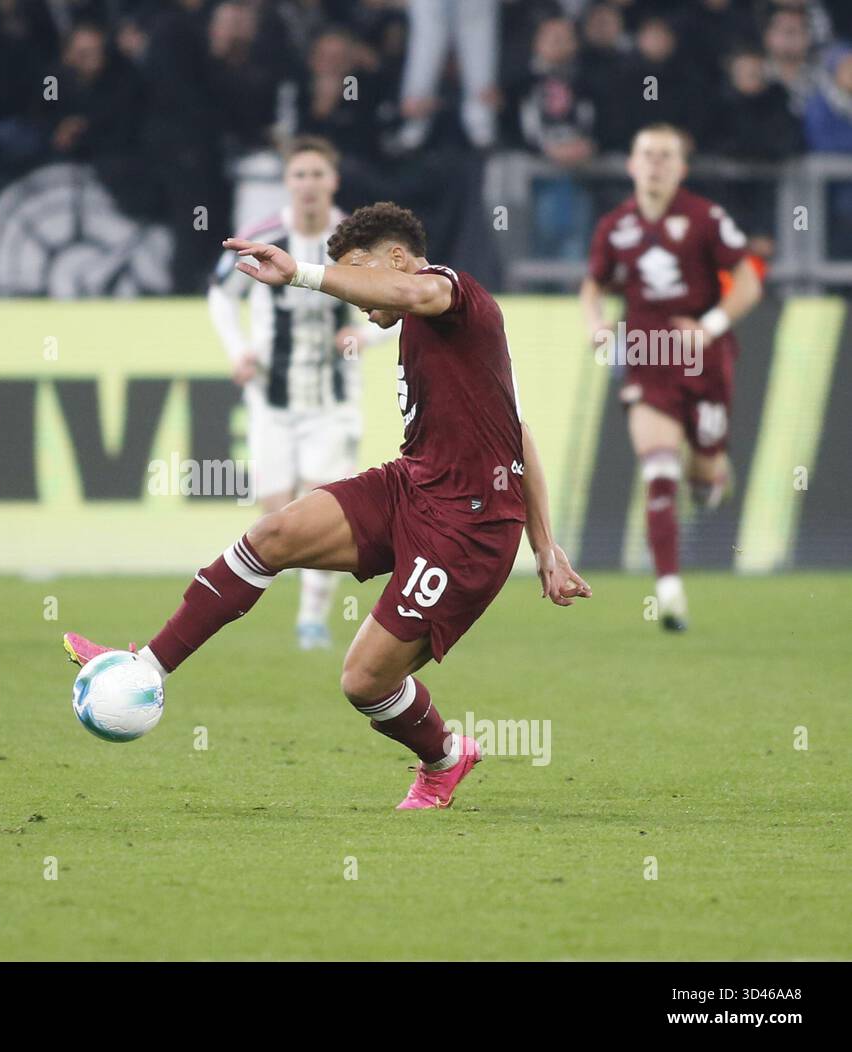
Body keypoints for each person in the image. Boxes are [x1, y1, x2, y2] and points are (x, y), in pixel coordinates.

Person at [65, 201, 591, 811]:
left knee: (363, 681)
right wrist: (548, 547)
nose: (362, 305)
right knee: (274, 535)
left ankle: (445, 758)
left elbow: (416, 303)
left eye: (360, 279)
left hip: (468, 529)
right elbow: (517, 432)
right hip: (411, 486)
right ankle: (147, 668)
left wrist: (304, 274)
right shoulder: (431, 327)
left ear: (397, 260)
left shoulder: (453, 293)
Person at [580, 124, 763, 632]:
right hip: (646, 356)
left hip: (704, 360)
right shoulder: (615, 227)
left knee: (703, 480)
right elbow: (592, 285)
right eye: (647, 155)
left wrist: (709, 326)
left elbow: (748, 282)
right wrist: (595, 326)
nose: (655, 164)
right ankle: (669, 592)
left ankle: (713, 480)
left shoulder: (707, 219)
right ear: (631, 165)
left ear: (681, 168)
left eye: (666, 156)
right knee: (659, 470)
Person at [208, 136, 386, 651]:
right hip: (271, 396)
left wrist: (365, 335)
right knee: (275, 514)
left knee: (319, 509)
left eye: (317, 175)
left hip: (332, 400)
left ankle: (312, 619)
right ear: (287, 182)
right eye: (299, 175)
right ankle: (282, 603)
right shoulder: (263, 235)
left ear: (333, 181)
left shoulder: (356, 240)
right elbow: (221, 296)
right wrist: (238, 348)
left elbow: (402, 303)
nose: (308, 185)